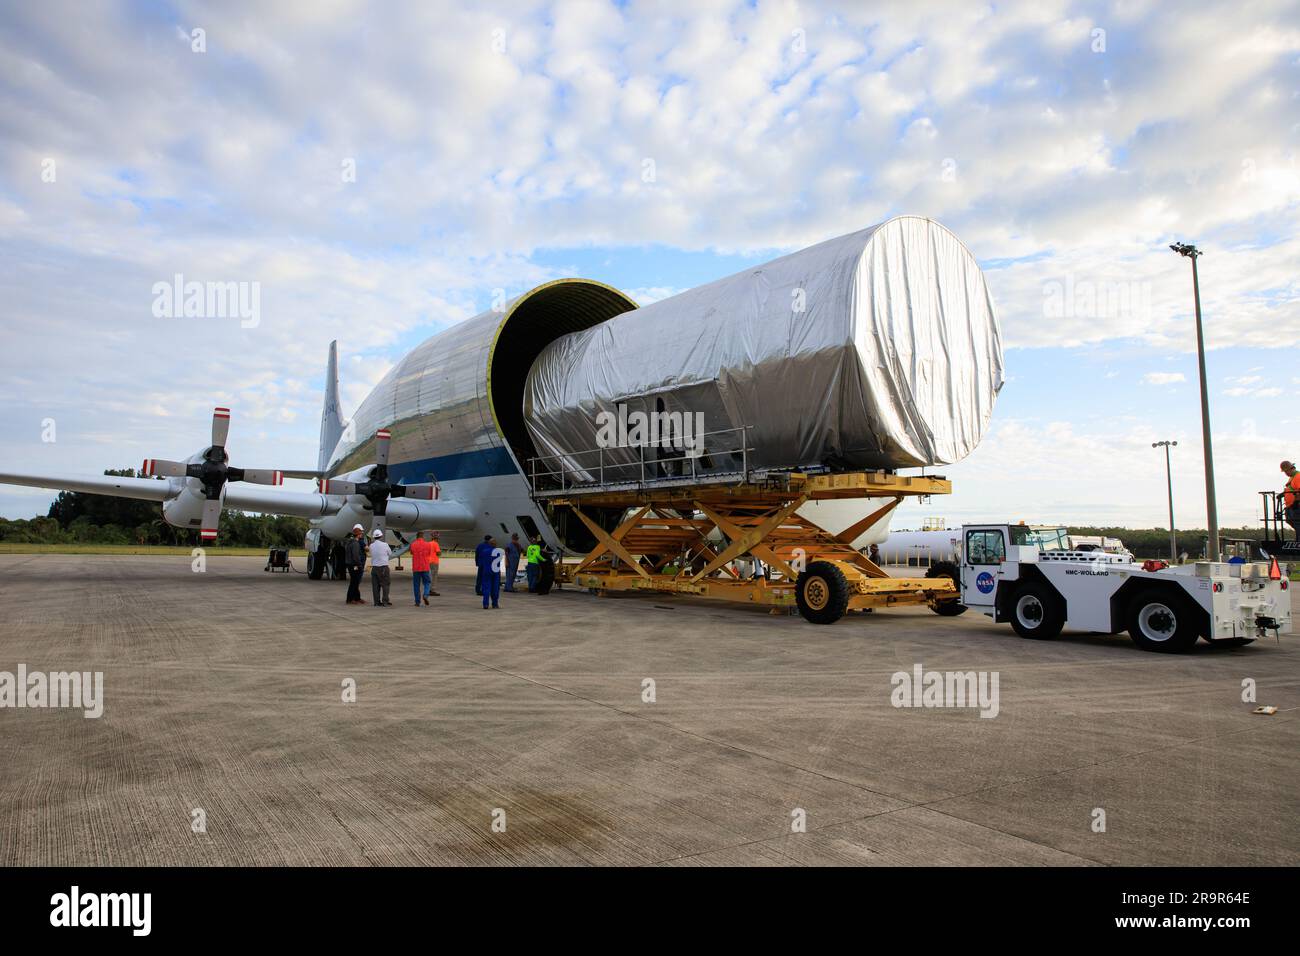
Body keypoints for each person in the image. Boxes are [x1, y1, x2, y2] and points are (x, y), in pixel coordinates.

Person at [474, 534, 500, 609]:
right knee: (495, 588)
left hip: (486, 569)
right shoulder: (499, 551)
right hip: (495, 571)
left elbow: (478, 556)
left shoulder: (484, 551)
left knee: (486, 587)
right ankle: (495, 604)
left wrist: (478, 563)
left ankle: (485, 604)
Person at [344, 524, 367, 605]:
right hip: (354, 565)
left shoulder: (350, 542)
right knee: (354, 583)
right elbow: (356, 556)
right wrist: (359, 565)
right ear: (358, 534)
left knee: (355, 582)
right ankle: (350, 599)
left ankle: (357, 598)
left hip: (350, 564)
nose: (362, 534)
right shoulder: (355, 543)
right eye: (361, 533)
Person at [369, 529, 393, 607]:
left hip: (374, 568)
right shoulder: (385, 544)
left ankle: (376, 602)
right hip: (383, 567)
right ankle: (385, 601)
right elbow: (390, 553)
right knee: (385, 584)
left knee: (375, 586)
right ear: (381, 536)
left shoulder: (371, 546)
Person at [408, 531, 432, 606]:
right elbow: (429, 553)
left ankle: (417, 602)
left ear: (416, 537)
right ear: (423, 536)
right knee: (427, 583)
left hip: (416, 567)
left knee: (416, 585)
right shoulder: (428, 544)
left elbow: (411, 552)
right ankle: (425, 595)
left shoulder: (413, 544)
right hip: (425, 567)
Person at [1282, 461, 1300, 538]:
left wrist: (1296, 502)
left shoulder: (1298, 476)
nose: (1285, 473)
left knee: (1298, 524)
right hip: (1291, 506)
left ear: (1291, 468)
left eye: (1286, 471)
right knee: (1290, 520)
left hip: (1296, 506)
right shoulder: (1292, 477)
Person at [427, 531, 442, 596]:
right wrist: (440, 553)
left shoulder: (428, 543)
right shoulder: (436, 544)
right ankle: (432, 590)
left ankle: (427, 589)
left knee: (429, 576)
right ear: (436, 538)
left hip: (428, 561)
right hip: (434, 562)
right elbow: (438, 553)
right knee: (434, 577)